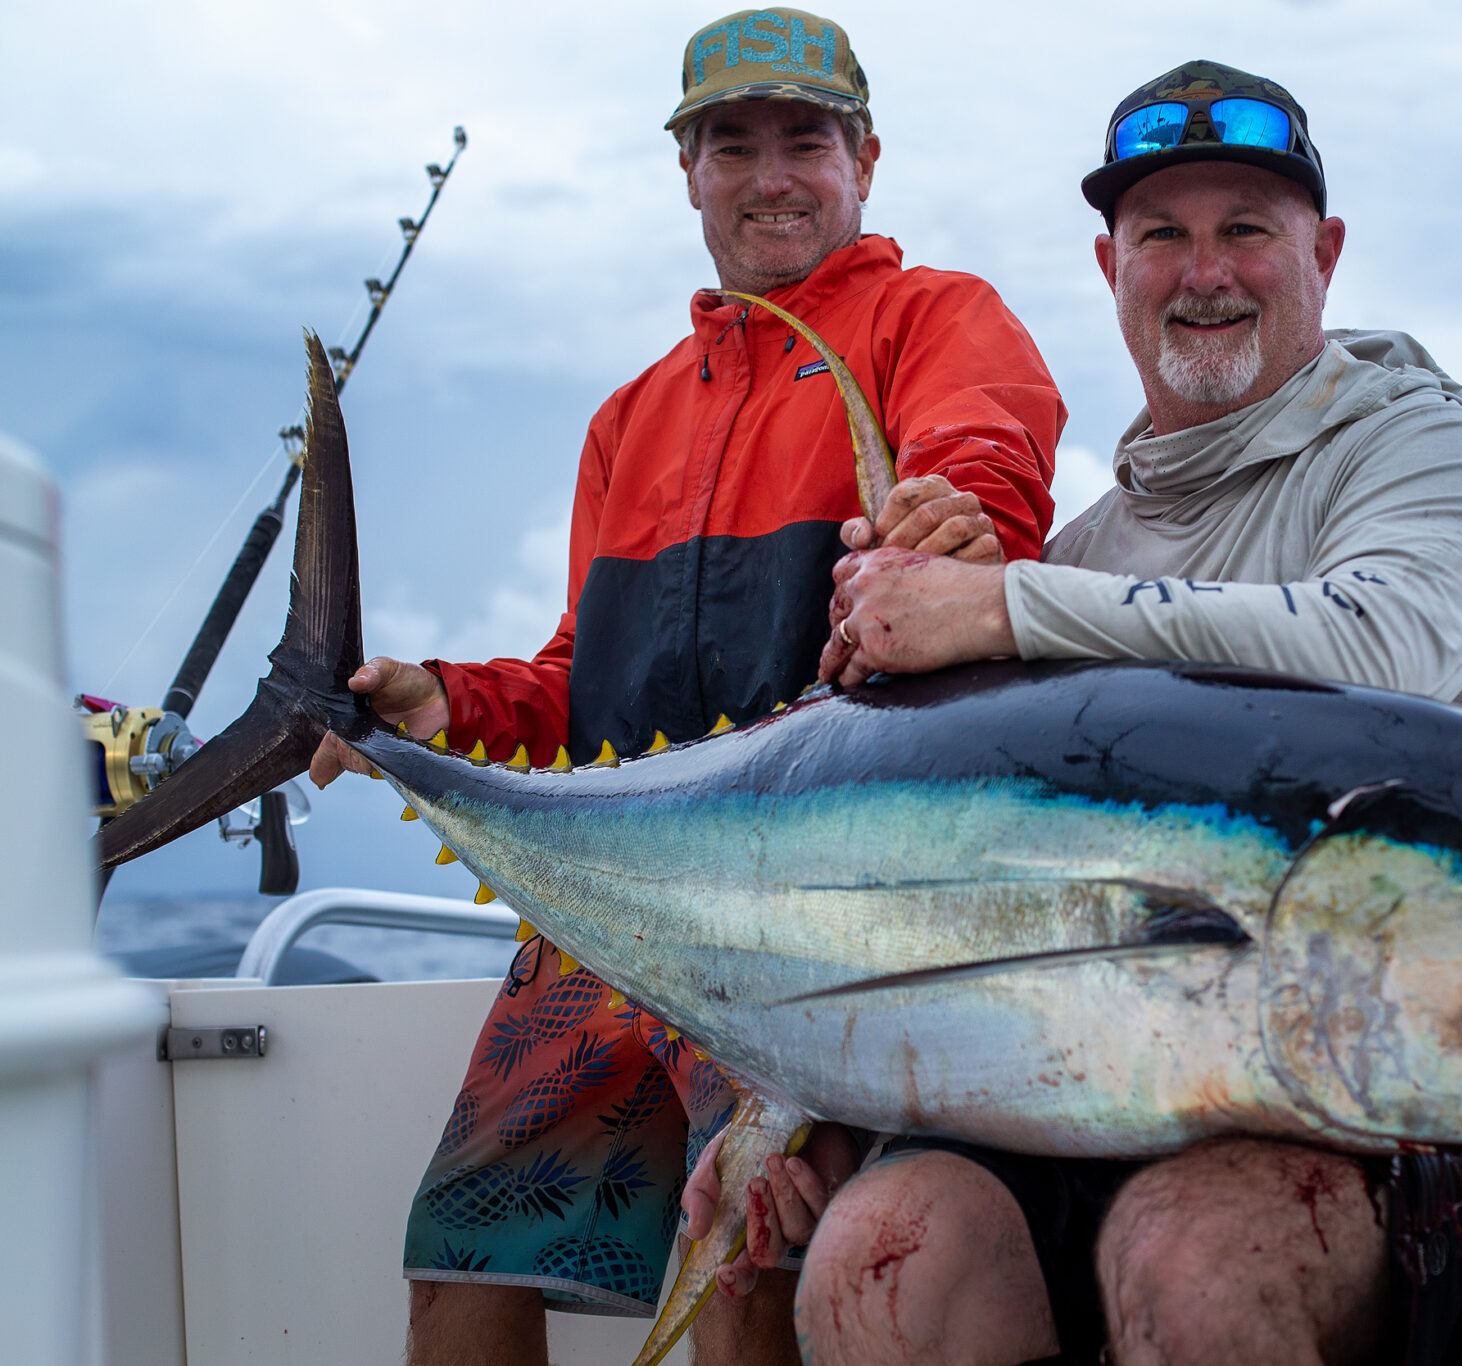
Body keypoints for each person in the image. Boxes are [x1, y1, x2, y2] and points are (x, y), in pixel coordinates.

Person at [706, 60, 1462, 1366]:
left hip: (1459, 1086)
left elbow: (1382, 653)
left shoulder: (1428, 454)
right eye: (1161, 236)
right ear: (1110, 267)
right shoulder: (1089, 549)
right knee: (883, 1255)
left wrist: (1005, 605)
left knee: (1193, 1251)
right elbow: (995, 887)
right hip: (1130, 1085)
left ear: (1325, 254)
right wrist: (818, 1098)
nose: (1205, 271)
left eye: (1246, 227)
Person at [307, 10, 1064, 1364]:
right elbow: (578, 685)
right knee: (459, 1252)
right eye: (732, 144)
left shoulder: (934, 316)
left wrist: (956, 518)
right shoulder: (628, 417)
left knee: (747, 1258)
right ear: (688, 171)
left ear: (865, 160)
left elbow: (985, 461)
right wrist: (440, 703)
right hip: (606, 921)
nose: (770, 176)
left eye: (805, 141)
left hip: (810, 924)